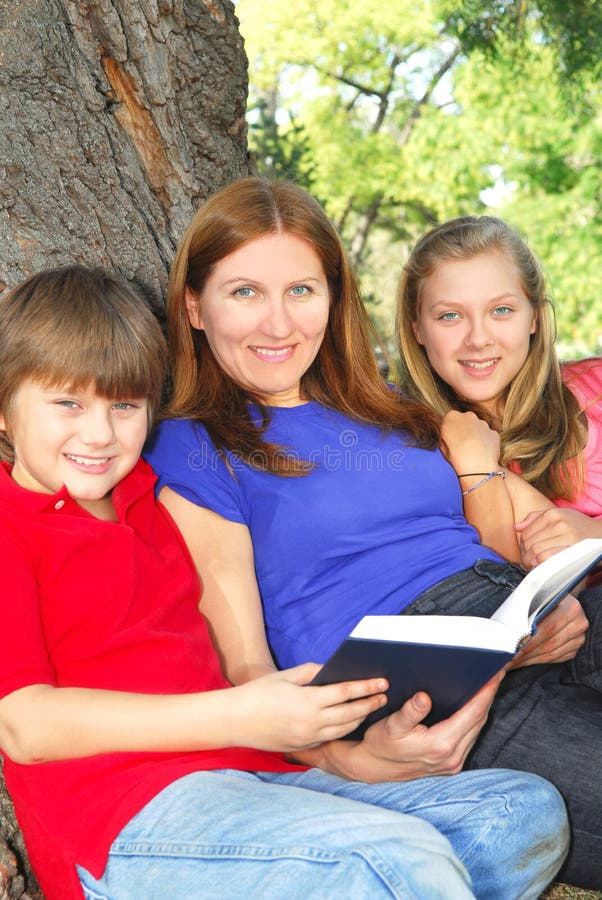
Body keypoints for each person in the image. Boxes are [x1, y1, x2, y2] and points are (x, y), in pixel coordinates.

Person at [0, 265, 569, 900]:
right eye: (67, 404)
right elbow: (24, 725)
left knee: (520, 810)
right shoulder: (9, 526)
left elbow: (244, 669)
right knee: (391, 856)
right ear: (4, 410)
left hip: (259, 780)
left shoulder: (151, 495)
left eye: (125, 405)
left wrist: (349, 759)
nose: (100, 433)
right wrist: (236, 715)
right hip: (124, 814)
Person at [144, 176, 600, 889]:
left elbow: (550, 529)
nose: (278, 324)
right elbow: (246, 671)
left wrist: (555, 573)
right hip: (428, 687)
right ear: (195, 307)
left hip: (527, 620)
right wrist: (344, 759)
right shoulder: (196, 446)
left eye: (301, 290)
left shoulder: (393, 410)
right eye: (245, 292)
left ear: (333, 299)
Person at [396, 214, 602, 571]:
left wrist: (594, 536)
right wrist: (476, 466)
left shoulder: (595, 387)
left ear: (534, 317)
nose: (478, 339)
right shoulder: (412, 447)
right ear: (417, 329)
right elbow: (504, 582)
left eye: (501, 310)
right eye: (450, 316)